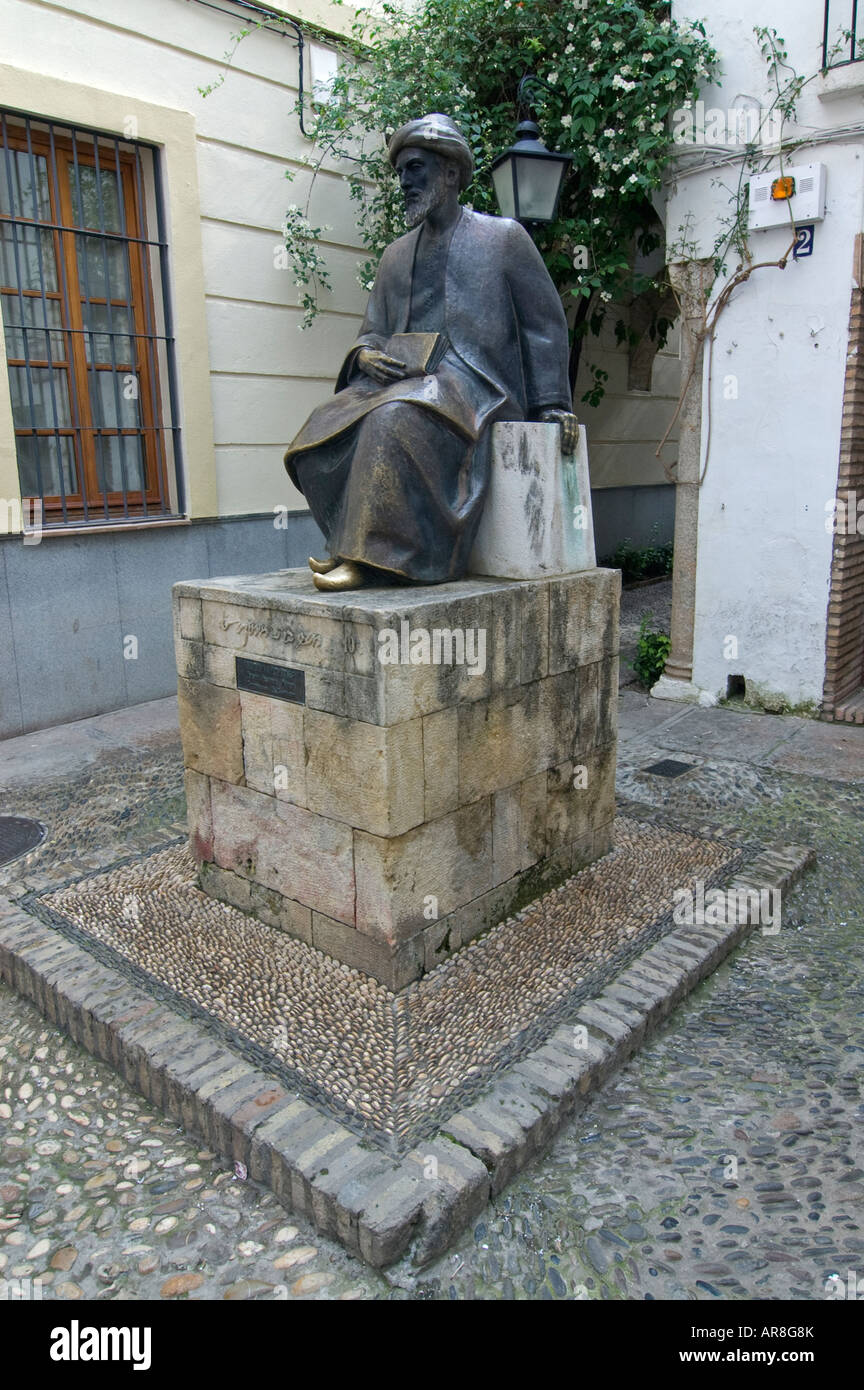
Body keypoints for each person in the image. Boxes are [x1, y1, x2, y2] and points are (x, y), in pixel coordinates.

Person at [284, 113, 578, 592]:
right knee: (321, 429)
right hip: (406, 380)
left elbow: (543, 325)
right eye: (400, 171)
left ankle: (373, 560)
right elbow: (373, 331)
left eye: (415, 168)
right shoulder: (395, 255)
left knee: (391, 420)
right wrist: (364, 357)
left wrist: (553, 403)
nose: (405, 181)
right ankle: (348, 541)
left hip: (478, 384)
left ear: (450, 173)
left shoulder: (503, 238)